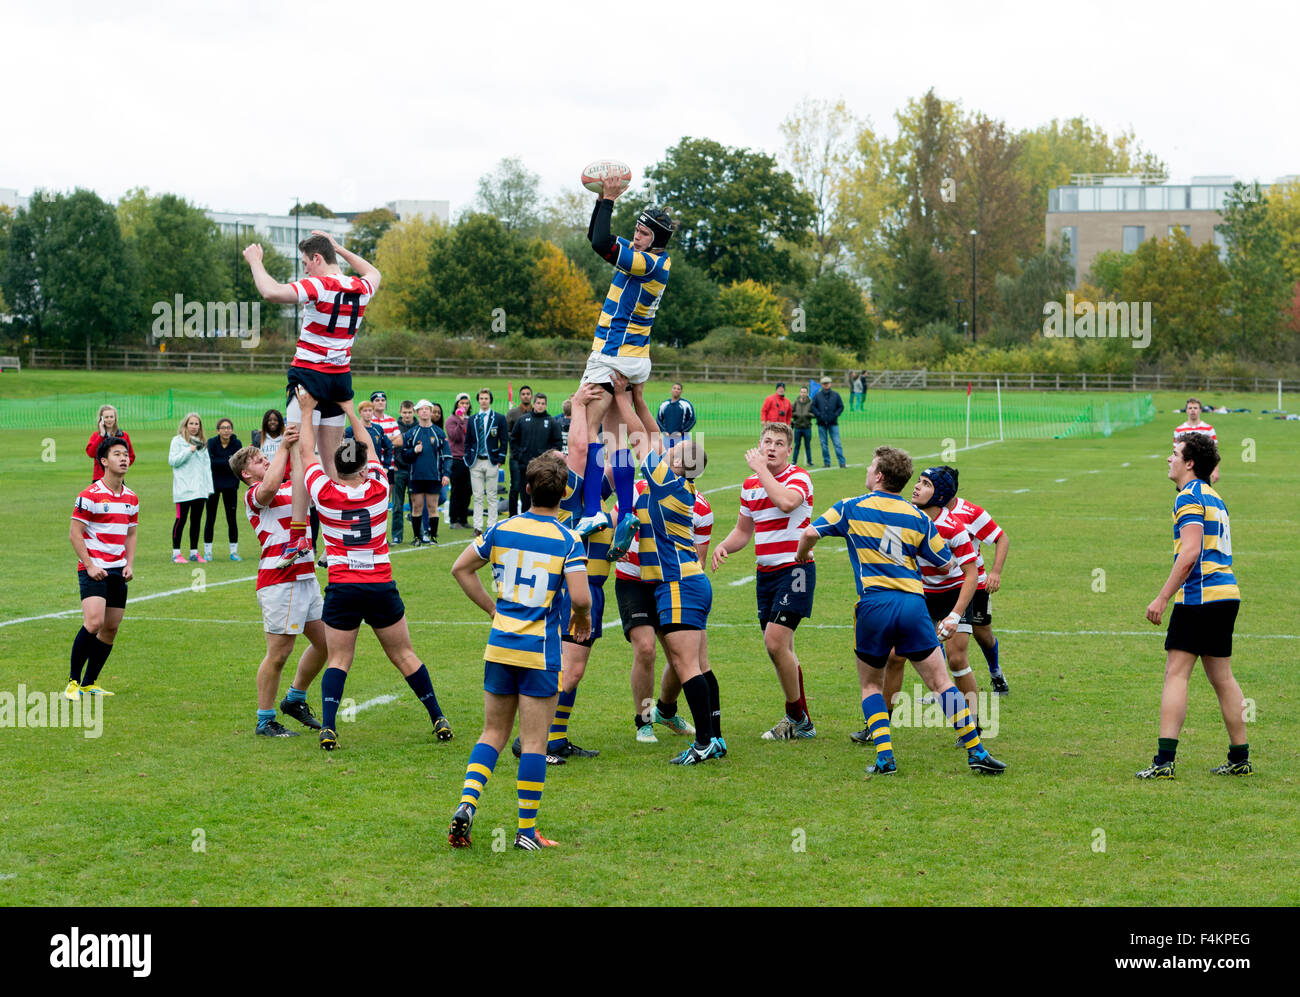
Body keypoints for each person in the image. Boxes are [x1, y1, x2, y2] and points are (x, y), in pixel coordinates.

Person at [796, 445, 1006, 776]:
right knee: (940, 681)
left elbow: (809, 533)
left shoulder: (850, 507)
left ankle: (885, 757)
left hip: (874, 604)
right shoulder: (918, 516)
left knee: (870, 686)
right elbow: (944, 561)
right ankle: (977, 751)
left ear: (879, 476)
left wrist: (802, 557)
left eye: (870, 465)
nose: (866, 470)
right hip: (912, 603)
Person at [448, 452, 591, 850]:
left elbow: (460, 568)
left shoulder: (501, 528)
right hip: (539, 653)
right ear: (565, 493)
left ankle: (467, 804)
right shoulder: (568, 538)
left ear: (525, 489)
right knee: (534, 743)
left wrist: (493, 609)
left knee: (492, 732)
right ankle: (526, 832)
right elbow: (580, 596)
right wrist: (582, 617)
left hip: (500, 645)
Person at [296, 393, 452, 751]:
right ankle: (437, 716)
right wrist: (352, 411)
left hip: (344, 586)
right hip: (380, 584)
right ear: (365, 467)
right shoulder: (380, 488)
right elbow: (369, 445)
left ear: (336, 468)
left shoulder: (326, 492)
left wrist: (307, 412)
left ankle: (329, 727)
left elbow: (307, 454)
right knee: (404, 655)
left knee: (339, 659)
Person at [243, 229, 381, 569]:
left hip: (309, 374)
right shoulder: (359, 287)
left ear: (317, 259)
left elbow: (271, 292)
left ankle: (298, 538)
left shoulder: (321, 285)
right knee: (333, 461)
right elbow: (374, 272)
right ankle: (335, 541)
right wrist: (340, 248)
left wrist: (255, 262)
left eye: (306, 263)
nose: (305, 270)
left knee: (299, 454)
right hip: (340, 377)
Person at [573, 178, 675, 566]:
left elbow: (600, 242)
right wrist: (601, 201)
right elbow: (596, 235)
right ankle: (627, 509)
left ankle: (594, 509)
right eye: (636, 229)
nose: (635, 236)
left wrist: (610, 200)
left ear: (658, 241)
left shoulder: (648, 263)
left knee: (585, 429)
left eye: (644, 233)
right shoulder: (653, 258)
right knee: (617, 438)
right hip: (635, 359)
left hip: (612, 355)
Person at [1137, 434, 1249, 778]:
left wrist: (1162, 597)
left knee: (1176, 673)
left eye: (1173, 454)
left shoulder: (1189, 498)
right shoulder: (1215, 496)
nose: (1167, 459)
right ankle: (1239, 757)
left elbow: (1190, 553)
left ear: (1189, 463)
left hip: (1201, 597)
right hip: (1226, 594)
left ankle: (1164, 762)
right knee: (1223, 678)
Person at [622, 397, 720, 765]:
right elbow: (653, 435)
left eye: (674, 451)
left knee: (686, 665)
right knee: (697, 664)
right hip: (691, 581)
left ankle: (705, 743)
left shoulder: (666, 484)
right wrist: (639, 397)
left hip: (677, 582)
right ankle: (715, 739)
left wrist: (623, 398)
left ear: (679, 464)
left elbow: (640, 437)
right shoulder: (685, 490)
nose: (667, 451)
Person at [858, 467, 981, 746]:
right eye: (918, 481)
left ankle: (973, 725)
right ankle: (879, 724)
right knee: (893, 657)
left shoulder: (953, 527)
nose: (916, 487)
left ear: (940, 494)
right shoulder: (905, 518)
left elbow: (971, 574)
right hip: (919, 596)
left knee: (957, 658)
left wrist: (955, 615)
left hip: (953, 595)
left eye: (925, 484)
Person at [710, 422, 816, 739]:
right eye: (766, 441)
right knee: (781, 649)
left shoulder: (799, 477)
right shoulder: (750, 485)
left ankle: (797, 718)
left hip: (796, 570)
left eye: (778, 443)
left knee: (774, 643)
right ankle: (801, 721)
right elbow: (744, 531)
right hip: (765, 574)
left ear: (788, 449)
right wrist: (724, 545)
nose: (771, 447)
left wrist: (761, 470)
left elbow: (786, 503)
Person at [228, 428, 328, 737]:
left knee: (327, 645)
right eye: (259, 460)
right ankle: (265, 719)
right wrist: (284, 445)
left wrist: (300, 445)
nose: (265, 461)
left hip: (306, 577)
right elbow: (269, 486)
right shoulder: (254, 495)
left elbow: (304, 480)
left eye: (264, 456)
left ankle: (295, 699)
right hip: (279, 580)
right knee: (279, 653)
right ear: (247, 473)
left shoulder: (288, 487)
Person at [614, 470, 713, 744]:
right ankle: (643, 720)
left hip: (669, 582)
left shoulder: (700, 506)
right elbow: (615, 522)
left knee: (681, 657)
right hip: (633, 579)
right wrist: (617, 540)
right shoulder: (638, 489)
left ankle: (666, 711)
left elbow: (698, 559)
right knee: (645, 648)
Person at [66, 438, 138, 700]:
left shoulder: (131, 498)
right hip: (93, 568)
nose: (123, 458)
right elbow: (75, 533)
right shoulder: (89, 496)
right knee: (94, 622)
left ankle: (89, 683)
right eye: (117, 454)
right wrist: (90, 564)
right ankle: (73, 683)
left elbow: (131, 534)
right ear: (104, 461)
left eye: (126, 454)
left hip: (118, 570)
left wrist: (129, 564)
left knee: (110, 628)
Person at [941, 466, 1011, 695]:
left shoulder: (970, 512)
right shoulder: (926, 512)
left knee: (983, 634)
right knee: (936, 633)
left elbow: (1001, 538)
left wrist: (995, 572)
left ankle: (996, 672)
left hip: (974, 584)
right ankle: (940, 685)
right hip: (940, 586)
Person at [401, 400, 451, 545]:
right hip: (415, 476)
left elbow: (447, 456)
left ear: (430, 411)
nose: (424, 411)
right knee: (416, 508)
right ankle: (417, 537)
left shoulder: (439, 433)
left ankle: (433, 536)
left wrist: (446, 474)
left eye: (427, 409)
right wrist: (414, 451)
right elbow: (404, 455)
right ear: (417, 412)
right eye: (421, 409)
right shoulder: (412, 433)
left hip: (433, 477)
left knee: (432, 508)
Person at [169, 412, 212, 563]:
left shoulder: (203, 443)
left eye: (196, 424)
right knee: (181, 520)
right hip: (183, 489)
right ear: (185, 425)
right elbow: (173, 461)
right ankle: (176, 553)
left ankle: (194, 552)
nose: (194, 427)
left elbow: (207, 467)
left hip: (199, 489)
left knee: (196, 521)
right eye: (191, 423)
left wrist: (209, 488)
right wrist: (189, 450)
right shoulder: (177, 441)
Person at [511, 392, 564, 514]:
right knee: (525, 498)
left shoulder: (551, 422)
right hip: (525, 467)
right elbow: (513, 439)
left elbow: (557, 444)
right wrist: (519, 456)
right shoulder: (523, 420)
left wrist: (548, 460)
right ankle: (523, 525)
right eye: (538, 403)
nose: (540, 406)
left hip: (543, 470)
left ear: (546, 405)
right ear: (534, 404)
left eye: (543, 403)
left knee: (541, 499)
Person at [464, 388, 508, 538]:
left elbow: (504, 440)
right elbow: (468, 441)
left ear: (490, 400)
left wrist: (500, 459)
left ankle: (491, 525)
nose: (483, 401)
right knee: (477, 496)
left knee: (492, 495)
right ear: (478, 400)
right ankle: (477, 527)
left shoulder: (499, 418)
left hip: (491, 461)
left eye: (486, 398)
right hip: (476, 461)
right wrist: (468, 458)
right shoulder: (473, 419)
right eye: (481, 398)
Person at [204, 418, 243, 562]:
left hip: (231, 485)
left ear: (232, 430)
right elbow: (210, 462)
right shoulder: (212, 442)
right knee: (210, 517)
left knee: (231, 518)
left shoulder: (237, 443)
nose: (226, 430)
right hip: (213, 485)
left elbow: (237, 463)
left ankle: (234, 551)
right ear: (218, 430)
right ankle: (208, 551)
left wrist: (223, 461)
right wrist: (227, 460)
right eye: (223, 428)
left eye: (228, 427)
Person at [389, 400, 417, 544]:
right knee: (397, 505)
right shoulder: (395, 427)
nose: (407, 415)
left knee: (416, 505)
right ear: (400, 412)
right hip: (398, 470)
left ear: (414, 412)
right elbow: (388, 446)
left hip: (414, 471)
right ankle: (397, 535)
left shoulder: (418, 427)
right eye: (404, 412)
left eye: (409, 412)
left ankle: (418, 535)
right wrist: (391, 463)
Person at [1174, 397, 1220, 484]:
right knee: (1185, 495)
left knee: (1203, 494)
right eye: (1190, 408)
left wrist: (1215, 470)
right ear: (1186, 410)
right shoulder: (1179, 430)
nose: (1193, 410)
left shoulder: (1208, 429)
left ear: (1200, 410)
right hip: (1185, 470)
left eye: (1195, 408)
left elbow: (1214, 451)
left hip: (1203, 470)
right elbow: (1176, 452)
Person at [85, 405, 135, 483]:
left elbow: (131, 456)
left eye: (111, 417)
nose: (109, 420)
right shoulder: (96, 436)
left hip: (118, 478)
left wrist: (120, 466)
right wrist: (101, 435)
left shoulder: (123, 435)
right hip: (99, 477)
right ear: (101, 419)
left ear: (115, 418)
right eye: (106, 417)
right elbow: (91, 453)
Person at [506, 385, 534, 516]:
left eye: (528, 394)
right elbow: (506, 433)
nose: (526, 396)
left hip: (532, 457)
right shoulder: (513, 413)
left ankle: (527, 515)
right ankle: (512, 516)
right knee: (515, 487)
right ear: (520, 396)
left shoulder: (536, 412)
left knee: (529, 488)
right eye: (523, 394)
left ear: (531, 396)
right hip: (516, 457)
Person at [446, 393, 472, 529]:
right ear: (457, 404)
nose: (464, 406)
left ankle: (463, 518)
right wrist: (461, 421)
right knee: (457, 490)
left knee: (468, 490)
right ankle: (453, 519)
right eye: (462, 403)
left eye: (467, 403)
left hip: (469, 459)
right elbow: (455, 437)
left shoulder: (471, 419)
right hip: (456, 459)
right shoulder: (451, 420)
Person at [811, 375, 846, 468]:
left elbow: (841, 407)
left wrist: (835, 415)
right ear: (822, 385)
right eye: (824, 384)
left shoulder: (836, 395)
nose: (826, 385)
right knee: (823, 444)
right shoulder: (817, 396)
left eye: (827, 383)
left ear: (830, 384)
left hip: (833, 423)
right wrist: (819, 415)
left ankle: (842, 462)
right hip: (821, 423)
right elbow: (813, 407)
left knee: (837, 443)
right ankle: (827, 462)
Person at [656, 382, 696, 447]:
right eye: (674, 388)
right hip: (667, 438)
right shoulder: (664, 404)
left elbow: (692, 420)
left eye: (678, 389)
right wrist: (663, 431)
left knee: (684, 456)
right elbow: (658, 419)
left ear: (681, 392)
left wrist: (682, 432)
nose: (676, 390)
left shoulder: (686, 404)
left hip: (682, 437)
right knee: (666, 456)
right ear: (671, 390)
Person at [791, 385, 814, 467]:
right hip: (797, 427)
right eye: (802, 392)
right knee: (797, 445)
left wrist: (808, 414)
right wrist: (795, 414)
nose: (803, 394)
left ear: (807, 393)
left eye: (804, 392)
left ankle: (810, 461)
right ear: (800, 393)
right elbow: (791, 412)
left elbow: (814, 413)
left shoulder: (810, 403)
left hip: (807, 427)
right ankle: (794, 461)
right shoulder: (796, 402)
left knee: (807, 445)